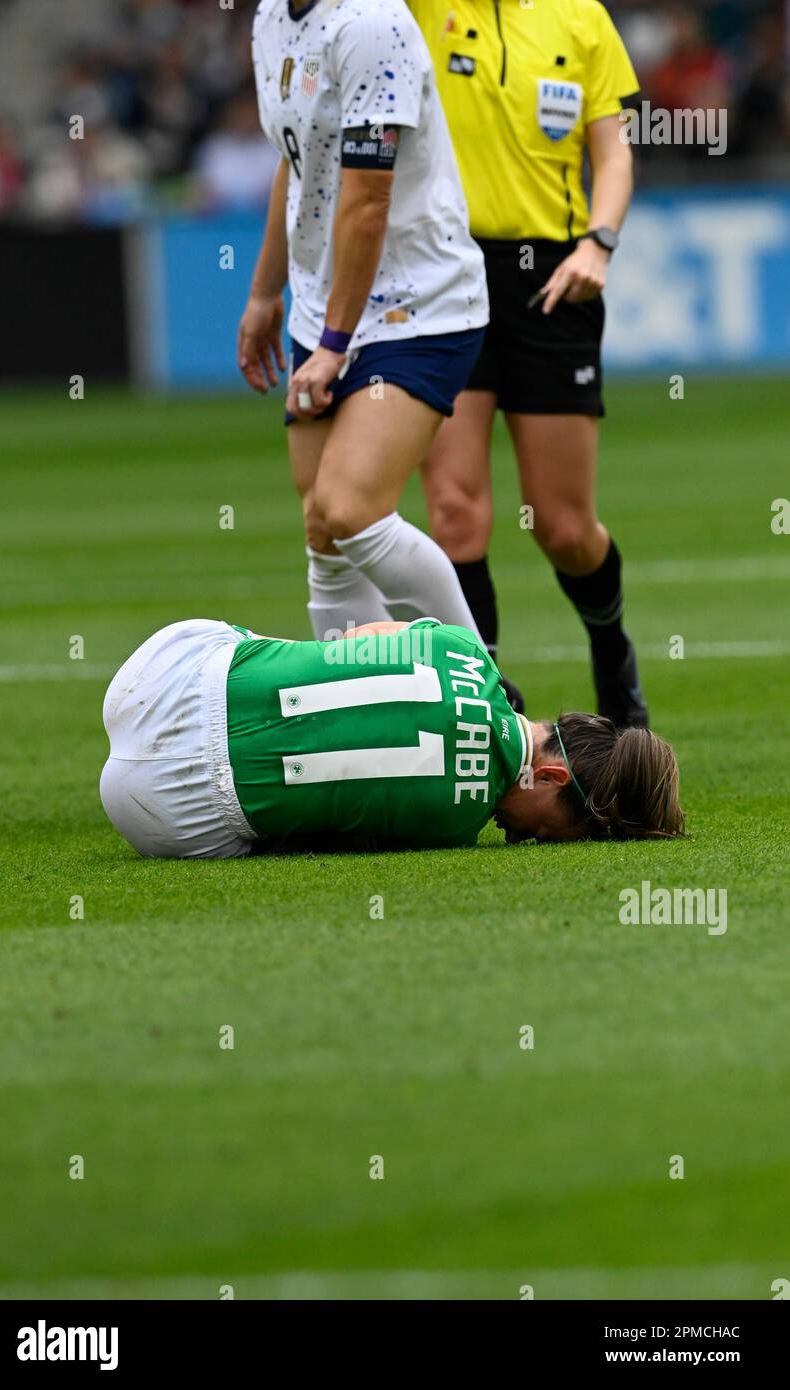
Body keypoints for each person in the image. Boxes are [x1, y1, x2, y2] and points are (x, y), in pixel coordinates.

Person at [408, 0, 648, 726]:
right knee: (454, 514)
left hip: (553, 277)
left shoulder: (581, 19)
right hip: (444, 272)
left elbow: (612, 151)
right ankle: (484, 705)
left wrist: (597, 243)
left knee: (564, 529)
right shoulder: (419, 9)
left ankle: (611, 650)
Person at [238, 0, 489, 644]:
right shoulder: (271, 18)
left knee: (352, 509)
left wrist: (332, 345)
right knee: (323, 529)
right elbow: (295, 165)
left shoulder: (372, 24)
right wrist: (267, 293)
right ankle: (366, 716)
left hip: (417, 305)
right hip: (325, 307)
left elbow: (368, 200)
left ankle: (486, 693)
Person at [99, 616, 685, 859]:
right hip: (163, 811)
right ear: (554, 776)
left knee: (294, 653)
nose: (519, 840)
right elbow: (320, 833)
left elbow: (350, 649)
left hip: (159, 673)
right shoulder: (452, 829)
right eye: (547, 833)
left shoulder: (460, 646)